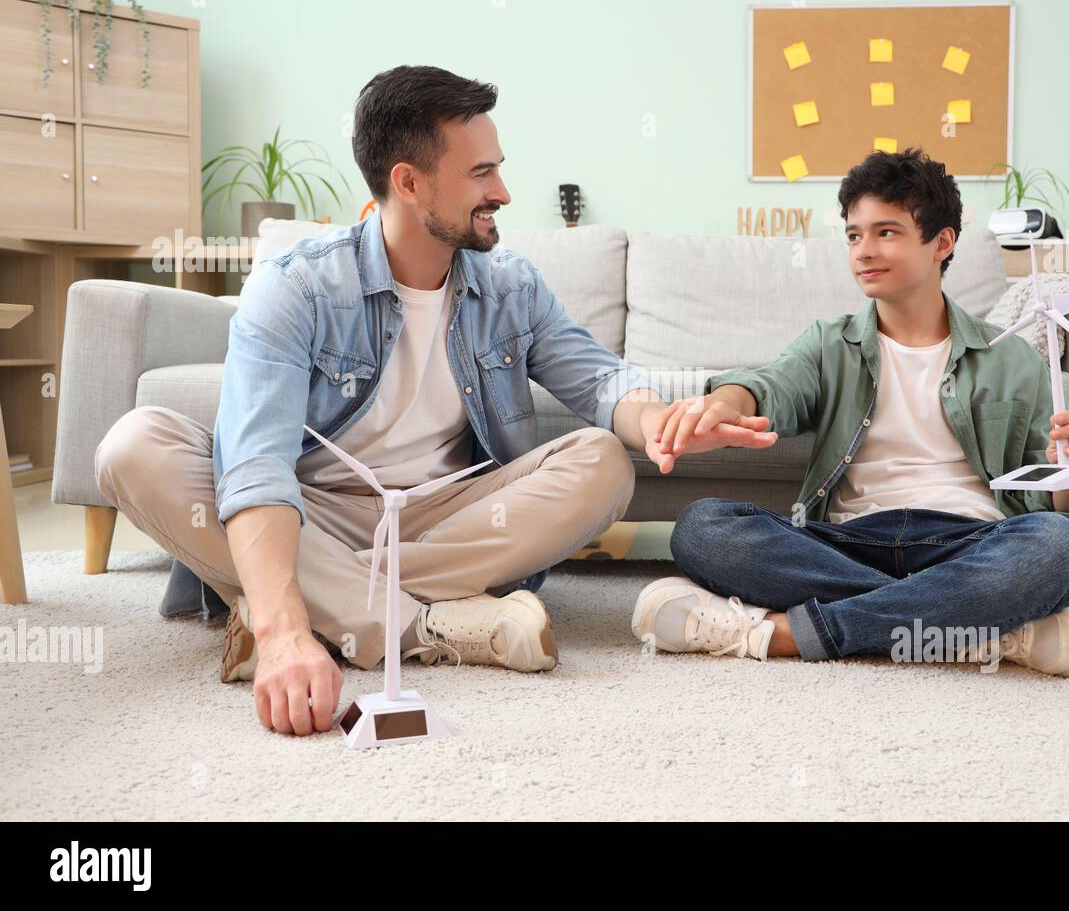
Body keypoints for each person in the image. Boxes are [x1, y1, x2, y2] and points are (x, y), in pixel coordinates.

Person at [94, 65, 776, 736]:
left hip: (445, 515)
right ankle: (429, 625)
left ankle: (308, 602)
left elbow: (599, 382)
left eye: (499, 169)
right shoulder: (296, 286)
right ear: (409, 181)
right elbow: (256, 467)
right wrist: (283, 638)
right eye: (482, 172)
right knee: (133, 445)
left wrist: (662, 420)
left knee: (603, 461)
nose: (503, 191)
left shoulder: (510, 283)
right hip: (313, 514)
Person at [634, 148, 1069, 677]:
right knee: (702, 527)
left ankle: (786, 635)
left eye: (885, 232)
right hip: (846, 543)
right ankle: (986, 631)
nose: (864, 250)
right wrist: (726, 401)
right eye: (853, 234)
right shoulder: (829, 343)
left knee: (1057, 549)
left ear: (942, 242)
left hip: (967, 542)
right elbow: (771, 387)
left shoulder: (1012, 359)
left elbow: (1049, 504)